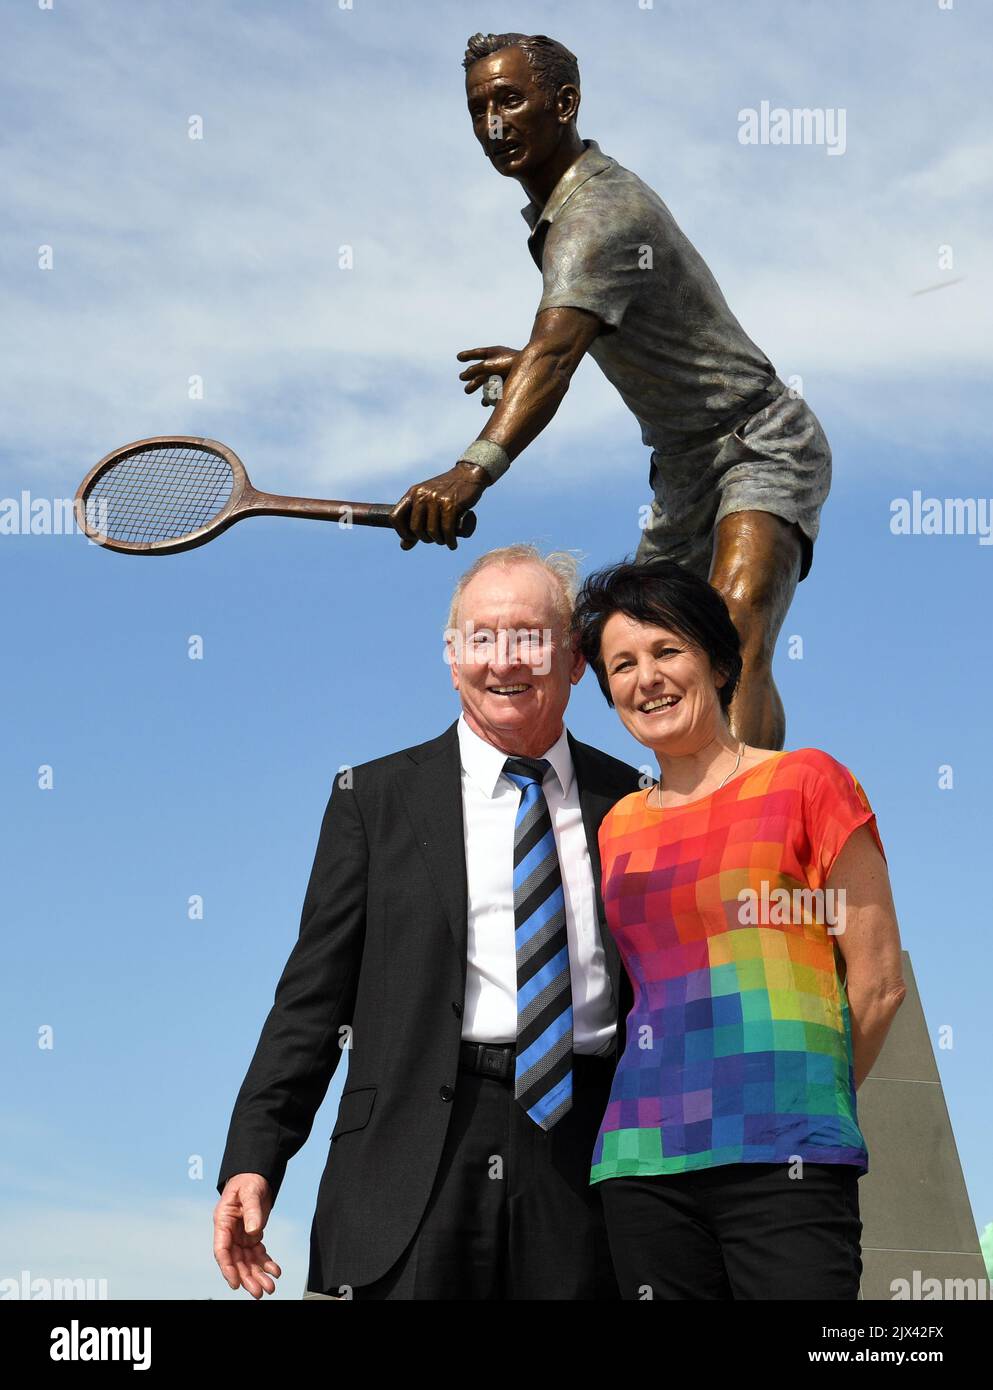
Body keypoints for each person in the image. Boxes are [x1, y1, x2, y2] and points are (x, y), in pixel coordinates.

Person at [213, 545, 643, 1299]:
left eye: (529, 637)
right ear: (451, 658)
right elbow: (310, 1001)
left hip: (591, 1161)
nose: (503, 659)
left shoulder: (637, 803)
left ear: (575, 659)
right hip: (408, 1159)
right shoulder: (371, 799)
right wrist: (255, 1157)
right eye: (480, 637)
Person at [390, 31, 832, 752]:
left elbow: (560, 353)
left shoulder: (597, 217)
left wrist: (470, 472)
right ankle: (676, 803)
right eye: (477, 109)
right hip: (683, 470)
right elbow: (572, 337)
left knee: (731, 627)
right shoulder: (560, 216)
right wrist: (532, 355)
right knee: (635, 646)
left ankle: (753, 830)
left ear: (563, 104)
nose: (493, 125)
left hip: (761, 441)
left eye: (509, 100)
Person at [569, 557, 906, 1300]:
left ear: (719, 663)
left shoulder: (806, 781)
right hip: (640, 1164)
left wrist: (802, 1101)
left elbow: (878, 984)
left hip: (785, 1157)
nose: (645, 678)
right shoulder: (617, 824)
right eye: (621, 665)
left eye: (666, 651)